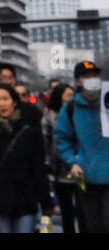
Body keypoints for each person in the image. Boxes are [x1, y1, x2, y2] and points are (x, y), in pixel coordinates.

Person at [0, 82, 50, 233]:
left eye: (5, 99)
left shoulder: (30, 131)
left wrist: (45, 202)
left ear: (14, 101)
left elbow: (39, 168)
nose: (2, 104)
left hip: (26, 201)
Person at [54, 60, 109, 233]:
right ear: (78, 81)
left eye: (95, 75)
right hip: (86, 177)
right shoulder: (70, 108)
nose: (92, 79)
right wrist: (73, 161)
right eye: (86, 76)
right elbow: (62, 139)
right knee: (93, 226)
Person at [45, 80, 84, 233]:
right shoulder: (49, 118)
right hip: (59, 172)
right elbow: (47, 145)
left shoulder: (80, 115)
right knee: (65, 213)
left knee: (83, 212)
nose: (71, 98)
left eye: (72, 95)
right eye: (68, 95)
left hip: (80, 170)